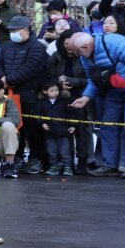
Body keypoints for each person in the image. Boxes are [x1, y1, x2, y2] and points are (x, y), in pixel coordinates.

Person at [65, 32, 125, 178]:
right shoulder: (85, 57)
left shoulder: (114, 42)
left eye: (77, 52)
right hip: (113, 92)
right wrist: (86, 97)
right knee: (107, 126)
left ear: (85, 46)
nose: (76, 55)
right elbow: (92, 79)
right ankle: (110, 166)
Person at [0, 14, 48, 173]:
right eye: (11, 30)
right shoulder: (7, 46)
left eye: (15, 30)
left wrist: (8, 80)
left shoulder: (37, 47)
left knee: (33, 130)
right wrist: (1, 80)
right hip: (10, 95)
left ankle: (36, 159)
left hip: (30, 94)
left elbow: (30, 69)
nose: (12, 33)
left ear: (26, 30)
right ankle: (16, 158)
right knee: (16, 129)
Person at [46, 28, 92, 172]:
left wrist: (73, 82)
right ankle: (68, 163)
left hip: (80, 96)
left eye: (72, 44)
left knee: (81, 131)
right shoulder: (56, 57)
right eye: (66, 44)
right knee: (65, 131)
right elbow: (48, 77)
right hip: (61, 98)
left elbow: (90, 79)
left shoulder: (84, 56)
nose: (69, 47)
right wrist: (59, 83)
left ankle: (83, 161)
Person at [35, 81, 76, 176]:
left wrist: (73, 125)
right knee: (51, 151)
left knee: (65, 151)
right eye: (52, 90)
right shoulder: (42, 103)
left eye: (57, 90)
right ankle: (53, 166)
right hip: (50, 132)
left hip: (64, 130)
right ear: (45, 91)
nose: (55, 92)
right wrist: (42, 123)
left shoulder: (64, 101)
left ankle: (67, 167)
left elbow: (72, 114)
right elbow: (38, 115)